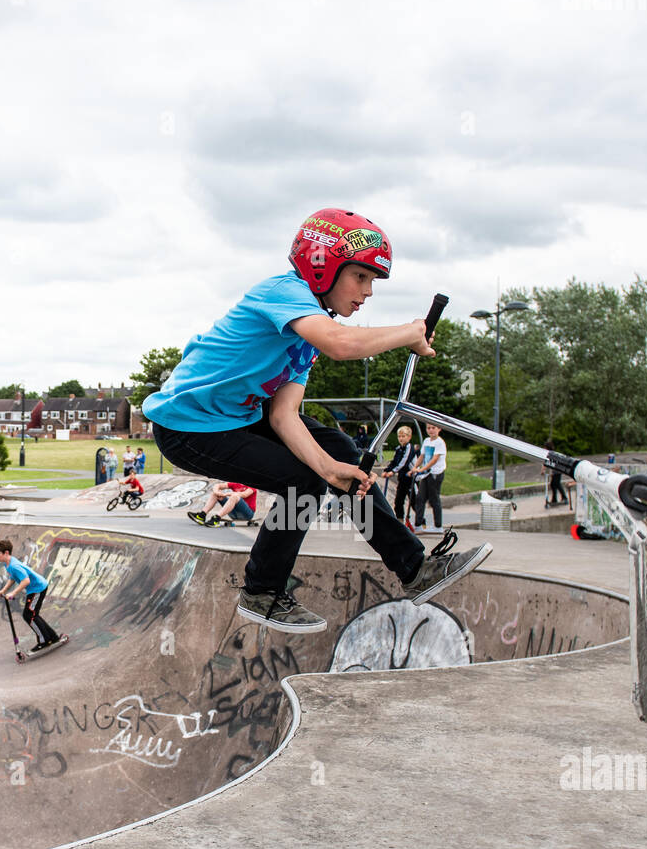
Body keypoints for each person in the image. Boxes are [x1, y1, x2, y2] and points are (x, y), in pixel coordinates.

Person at [141, 207, 492, 634]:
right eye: (360, 277)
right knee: (300, 481)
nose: (367, 292)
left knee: (345, 453)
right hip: (187, 425)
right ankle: (263, 591)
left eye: (372, 282)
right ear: (323, 266)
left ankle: (415, 569)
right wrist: (410, 332)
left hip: (242, 417)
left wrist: (331, 469)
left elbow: (285, 415)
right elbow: (341, 344)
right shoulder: (283, 292)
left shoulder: (306, 341)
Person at [0, 539, 61, 652]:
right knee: (32, 614)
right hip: (36, 588)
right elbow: (13, 578)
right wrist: (3, 590)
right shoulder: (8, 564)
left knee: (29, 615)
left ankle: (44, 641)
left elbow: (26, 581)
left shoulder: (14, 565)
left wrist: (13, 593)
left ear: (6, 553)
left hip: (37, 588)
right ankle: (52, 637)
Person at [409, 423, 447, 531]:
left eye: (433, 428)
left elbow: (434, 459)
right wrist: (415, 467)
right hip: (426, 474)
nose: (430, 430)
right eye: (428, 428)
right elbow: (422, 456)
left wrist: (421, 469)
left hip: (435, 473)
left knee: (434, 499)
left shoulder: (440, 442)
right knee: (420, 498)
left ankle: (438, 526)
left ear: (439, 429)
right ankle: (418, 524)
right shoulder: (426, 441)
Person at [381, 424, 416, 519]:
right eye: (399, 436)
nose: (401, 438)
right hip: (402, 478)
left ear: (409, 437)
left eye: (403, 436)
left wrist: (393, 471)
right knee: (398, 502)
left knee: (414, 502)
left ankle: (420, 522)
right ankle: (400, 520)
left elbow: (404, 462)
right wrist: (387, 470)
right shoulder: (398, 449)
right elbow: (394, 461)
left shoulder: (410, 448)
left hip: (411, 479)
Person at [189, 480, 257, 527]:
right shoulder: (236, 484)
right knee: (216, 494)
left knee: (235, 496)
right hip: (233, 514)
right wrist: (216, 492)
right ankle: (202, 515)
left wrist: (227, 494)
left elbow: (244, 494)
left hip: (247, 514)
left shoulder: (252, 485)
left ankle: (216, 519)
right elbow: (217, 485)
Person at [541, 437, 568, 506]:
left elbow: (545, 462)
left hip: (557, 471)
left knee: (556, 484)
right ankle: (555, 499)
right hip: (556, 471)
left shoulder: (550, 453)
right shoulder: (551, 453)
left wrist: (543, 470)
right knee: (553, 484)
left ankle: (564, 498)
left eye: (544, 447)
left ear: (547, 448)